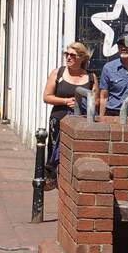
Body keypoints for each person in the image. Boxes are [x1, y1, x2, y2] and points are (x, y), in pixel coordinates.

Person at [43, 42, 97, 183]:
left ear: (81, 58)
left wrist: (83, 103)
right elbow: (46, 97)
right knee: (57, 152)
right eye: (66, 54)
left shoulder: (91, 78)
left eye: (72, 55)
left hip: (82, 121)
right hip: (59, 118)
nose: (68, 57)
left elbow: (96, 101)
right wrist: (66, 101)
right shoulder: (58, 73)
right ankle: (54, 179)